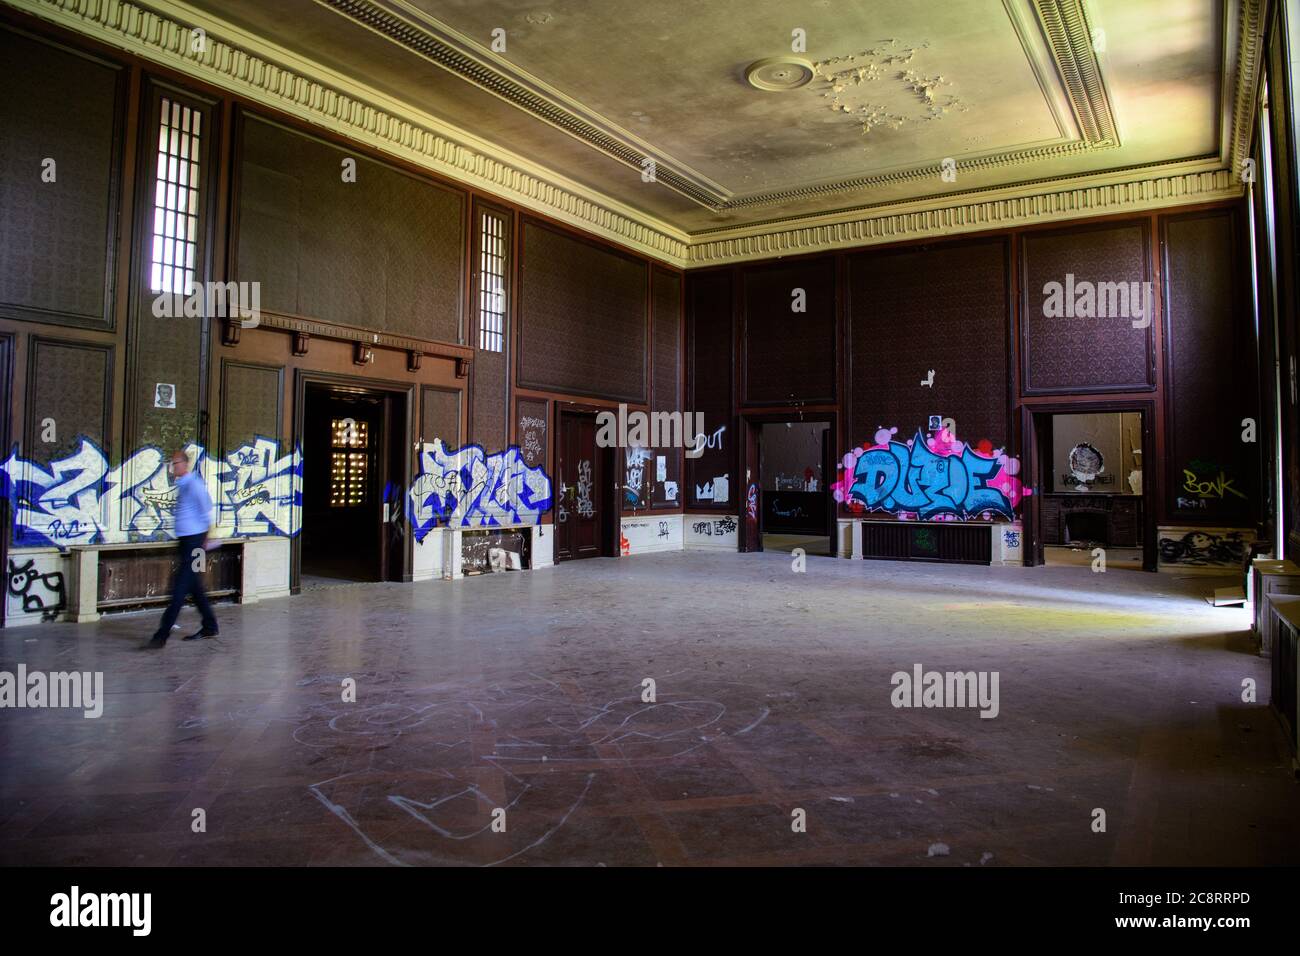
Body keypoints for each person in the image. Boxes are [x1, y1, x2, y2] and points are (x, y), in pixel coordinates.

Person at [146, 450, 219, 648]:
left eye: (175, 463)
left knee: (178, 590)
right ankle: (210, 626)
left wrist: (207, 537)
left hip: (195, 544)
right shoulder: (184, 485)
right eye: (171, 463)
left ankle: (161, 635)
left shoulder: (194, 484)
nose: (172, 467)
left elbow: (208, 509)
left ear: (185, 464)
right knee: (194, 587)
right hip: (187, 542)